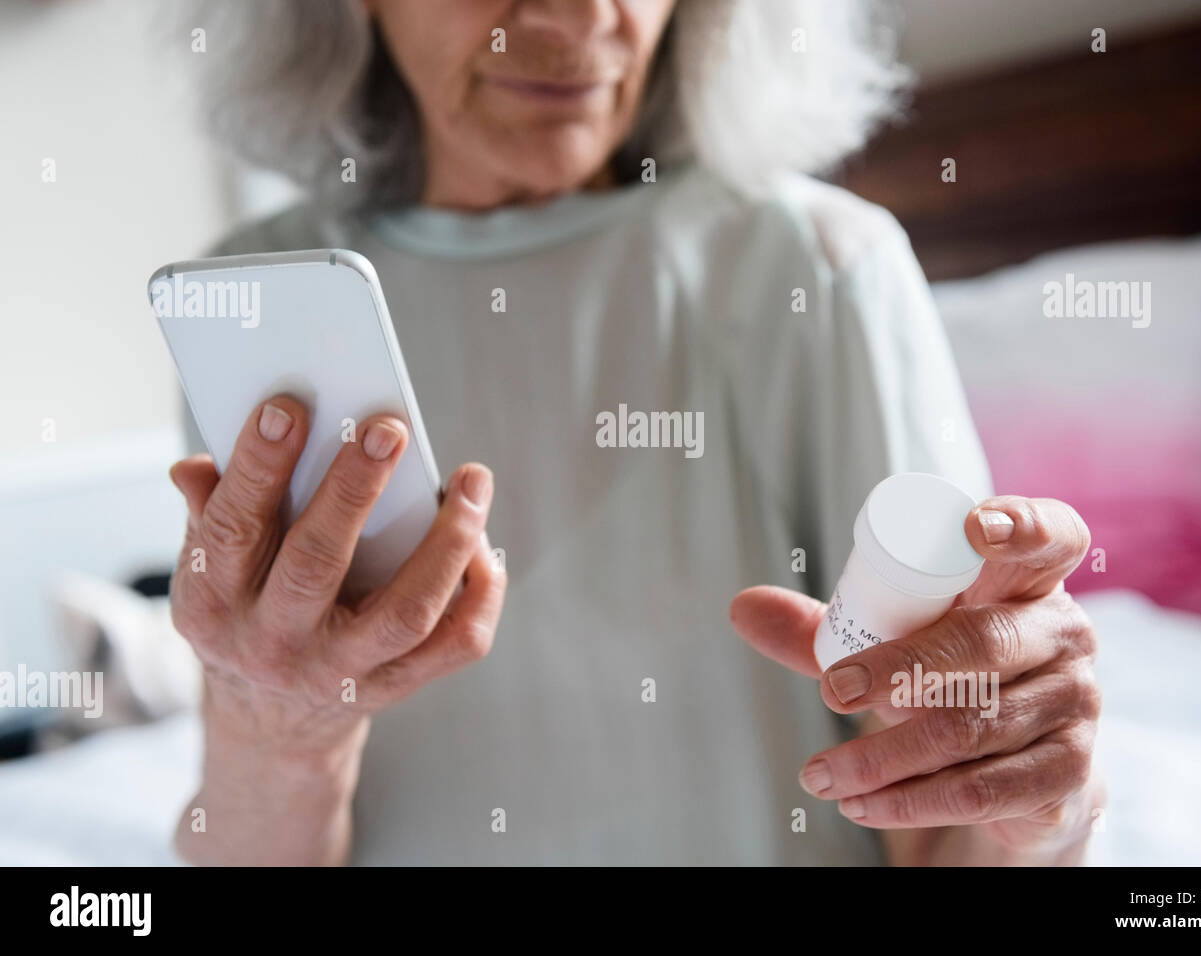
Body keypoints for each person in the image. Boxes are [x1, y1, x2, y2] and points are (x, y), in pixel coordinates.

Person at [167, 0, 1102, 865]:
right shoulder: (256, 295)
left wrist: (1036, 794)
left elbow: (947, 810)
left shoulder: (813, 266)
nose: (584, 17)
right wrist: (276, 731)